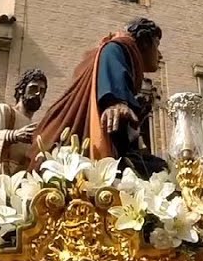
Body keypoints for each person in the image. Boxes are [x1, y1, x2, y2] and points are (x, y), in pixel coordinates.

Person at [31, 18, 167, 176]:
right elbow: (111, 62)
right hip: (75, 143)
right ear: (145, 42)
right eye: (157, 46)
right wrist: (116, 101)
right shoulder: (119, 47)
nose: (160, 55)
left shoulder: (125, 56)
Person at [0, 69, 47, 177]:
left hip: (20, 184)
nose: (38, 94)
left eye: (42, 91)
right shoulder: (4, 111)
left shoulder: (37, 129)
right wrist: (12, 136)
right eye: (33, 88)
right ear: (21, 90)